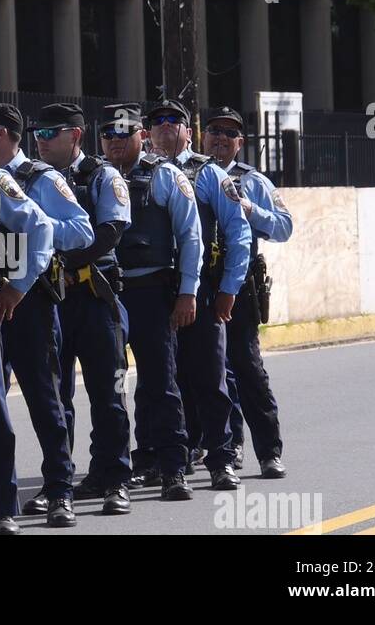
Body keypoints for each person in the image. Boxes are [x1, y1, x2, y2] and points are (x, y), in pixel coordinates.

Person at [0, 101, 94, 527]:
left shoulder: (42, 179)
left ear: (5, 134)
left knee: (45, 398)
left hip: (29, 301)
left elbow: (82, 230)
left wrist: (35, 223)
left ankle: (59, 490)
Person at [30, 103, 133, 515]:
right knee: (56, 397)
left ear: (74, 135)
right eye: (36, 131)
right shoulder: (34, 179)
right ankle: (59, 483)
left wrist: (68, 265)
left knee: (107, 392)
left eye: (49, 132)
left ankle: (115, 479)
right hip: (51, 298)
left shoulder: (101, 174)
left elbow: (110, 231)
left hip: (93, 296)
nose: (39, 138)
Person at [146, 98, 250, 491]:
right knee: (158, 381)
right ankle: (162, 457)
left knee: (209, 376)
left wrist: (228, 290)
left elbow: (238, 231)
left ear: (189, 131)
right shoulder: (142, 172)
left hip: (202, 291)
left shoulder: (208, 174)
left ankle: (221, 458)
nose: (166, 127)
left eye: (174, 120)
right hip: (156, 291)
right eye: (158, 121)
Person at [102, 102, 203, 500]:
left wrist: (187, 292)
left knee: (160, 382)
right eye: (109, 134)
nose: (115, 142)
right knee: (110, 386)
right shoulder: (97, 177)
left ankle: (173, 467)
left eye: (124, 133)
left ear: (141, 135)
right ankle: (122, 466)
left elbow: (191, 236)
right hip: (107, 296)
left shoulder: (164, 176)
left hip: (152, 294)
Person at [203, 106, 291, 479]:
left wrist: (252, 209)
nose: (221, 138)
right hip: (199, 283)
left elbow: (285, 227)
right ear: (202, 135)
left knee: (247, 367)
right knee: (210, 371)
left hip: (239, 286)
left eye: (230, 132)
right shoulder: (188, 173)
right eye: (214, 130)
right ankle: (227, 445)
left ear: (240, 142)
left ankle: (268, 451)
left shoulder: (253, 181)